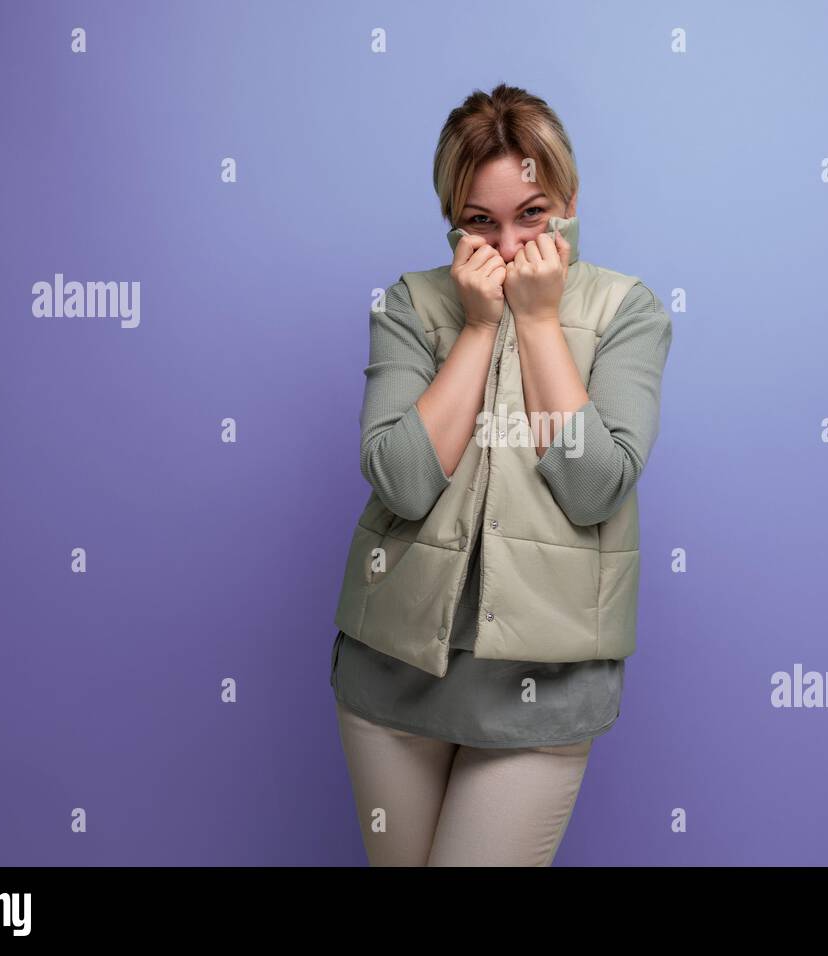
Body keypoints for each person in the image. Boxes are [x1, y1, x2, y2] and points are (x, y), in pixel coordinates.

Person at [330, 83, 673, 866]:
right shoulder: (411, 305)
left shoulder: (628, 311)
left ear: (569, 201)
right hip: (392, 678)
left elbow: (594, 489)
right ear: (452, 217)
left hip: (541, 691)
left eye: (533, 213)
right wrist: (481, 324)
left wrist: (542, 321)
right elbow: (404, 483)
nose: (511, 247)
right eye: (480, 222)